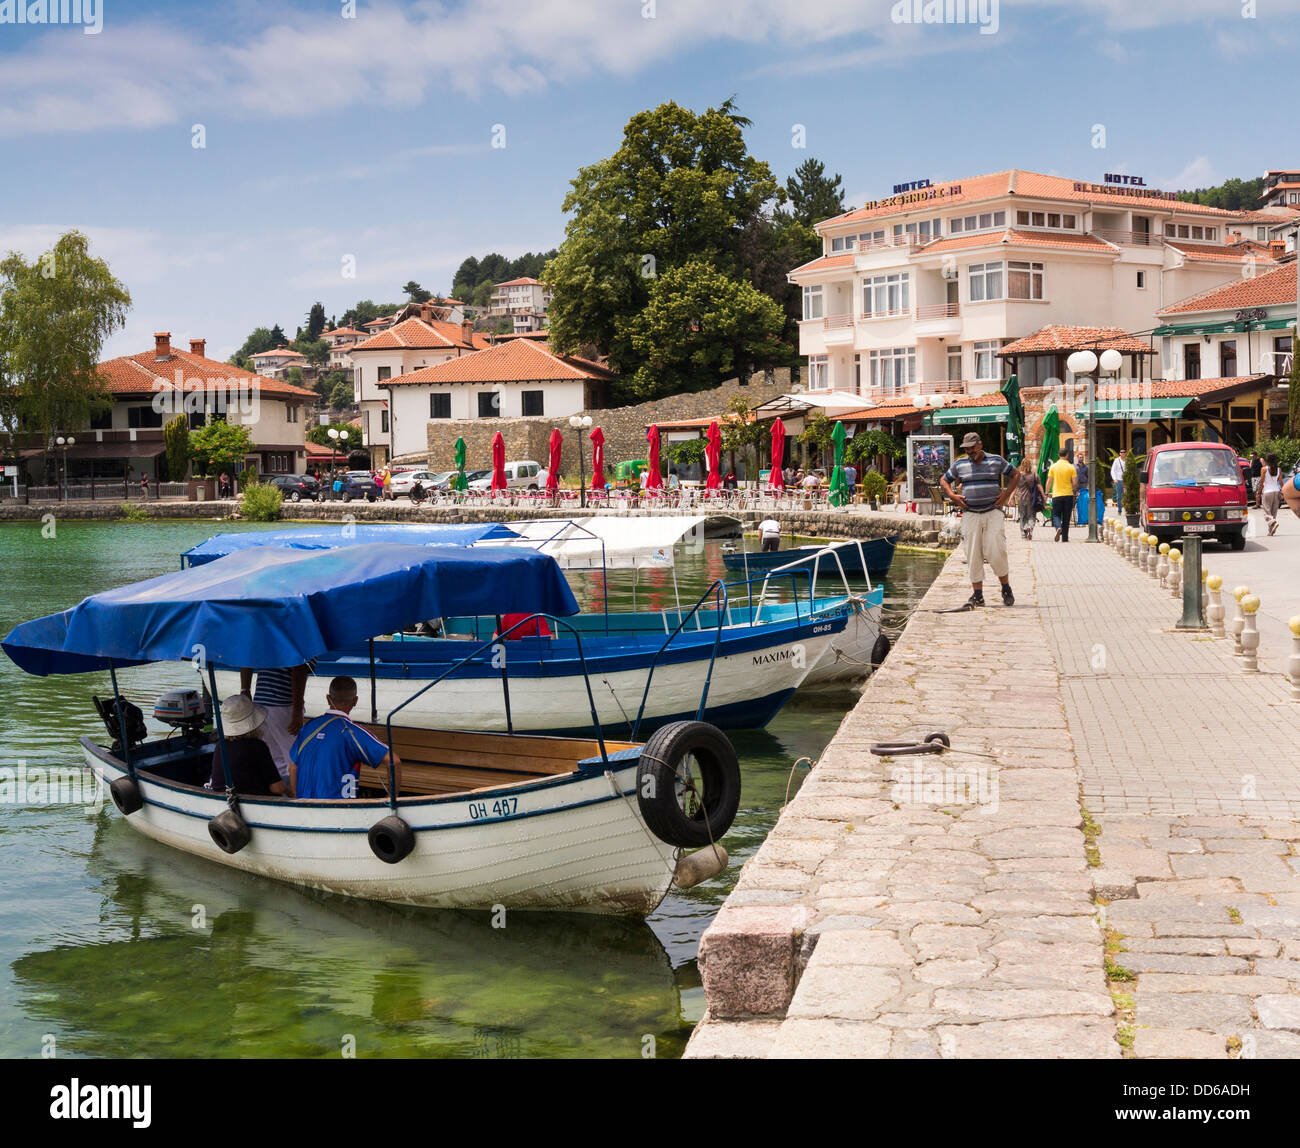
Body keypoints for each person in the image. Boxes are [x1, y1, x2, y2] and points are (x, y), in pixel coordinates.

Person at [940, 432, 1019, 607]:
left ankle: (1006, 588)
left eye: (972, 447)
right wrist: (953, 495)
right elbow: (944, 480)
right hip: (971, 514)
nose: (969, 451)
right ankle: (978, 594)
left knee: (996, 550)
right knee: (972, 552)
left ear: (980, 445)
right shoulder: (960, 464)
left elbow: (1016, 475)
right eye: (966, 448)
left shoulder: (996, 460)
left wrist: (1006, 495)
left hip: (992, 511)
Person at [291, 675, 402, 800]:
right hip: (340, 809)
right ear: (355, 701)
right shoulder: (352, 732)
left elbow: (293, 767)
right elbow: (394, 761)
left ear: (328, 698)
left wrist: (296, 797)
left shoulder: (307, 728)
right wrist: (392, 796)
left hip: (303, 806)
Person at [239, 662, 313, 787]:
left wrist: (245, 689)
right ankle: (296, 796)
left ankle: (282, 794)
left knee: (274, 758)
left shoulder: (263, 641)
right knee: (295, 757)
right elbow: (299, 670)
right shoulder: (306, 642)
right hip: (283, 704)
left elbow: (248, 657)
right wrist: (297, 710)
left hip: (260, 701)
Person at [208, 695, 287, 797]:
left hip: (222, 798)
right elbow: (277, 788)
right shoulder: (257, 746)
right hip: (254, 802)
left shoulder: (220, 746)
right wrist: (291, 792)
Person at [1046, 449, 1078, 542]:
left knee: (1055, 514)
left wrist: (1047, 492)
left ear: (1058, 455)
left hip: (1056, 494)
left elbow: (1049, 481)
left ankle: (1058, 527)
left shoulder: (1053, 467)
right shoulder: (1071, 467)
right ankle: (1065, 538)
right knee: (1066, 516)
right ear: (1067, 455)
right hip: (1068, 494)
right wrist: (1071, 488)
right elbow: (1075, 482)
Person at [1014, 460, 1044, 541]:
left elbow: (1015, 488)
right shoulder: (1034, 474)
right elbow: (1039, 486)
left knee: (1022, 516)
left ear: (1022, 465)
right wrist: (1044, 496)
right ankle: (1030, 528)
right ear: (1030, 465)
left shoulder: (1018, 475)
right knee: (1031, 515)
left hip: (1021, 498)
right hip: (1032, 498)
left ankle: (1023, 534)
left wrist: (1010, 498)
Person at [1261, 452, 1284, 536]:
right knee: (1273, 512)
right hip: (1276, 491)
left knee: (1266, 512)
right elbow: (1281, 482)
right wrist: (1283, 491)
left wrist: (1259, 491)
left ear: (1267, 459)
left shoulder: (1264, 469)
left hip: (1267, 492)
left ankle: (1273, 522)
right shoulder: (1279, 469)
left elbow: (1261, 482)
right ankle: (1271, 530)